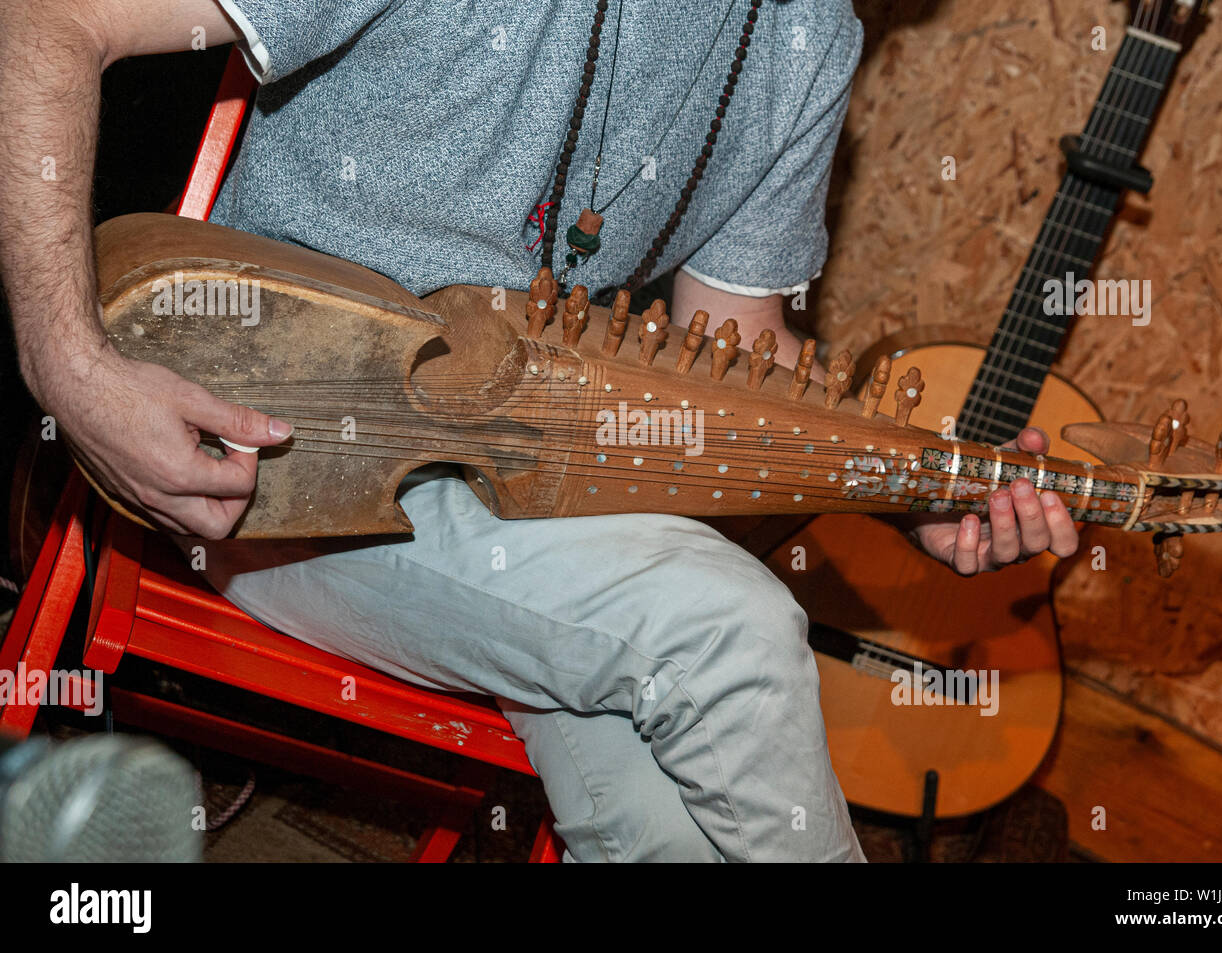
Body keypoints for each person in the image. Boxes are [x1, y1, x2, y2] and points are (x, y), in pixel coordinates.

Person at [0, 0, 1079, 861]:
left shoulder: (805, 31)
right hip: (270, 473)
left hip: (529, 501)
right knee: (729, 630)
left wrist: (926, 481)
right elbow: (43, 21)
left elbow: (729, 363)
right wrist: (69, 366)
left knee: (670, 820)